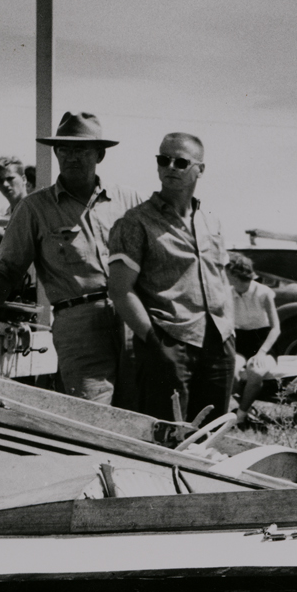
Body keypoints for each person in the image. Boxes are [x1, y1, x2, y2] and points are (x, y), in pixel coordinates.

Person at [0, 111, 141, 401]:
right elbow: (5, 270)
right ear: (56, 152)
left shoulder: (128, 200)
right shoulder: (34, 208)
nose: (71, 156)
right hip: (78, 325)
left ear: (100, 155)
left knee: (142, 413)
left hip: (134, 321)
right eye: (64, 149)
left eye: (81, 149)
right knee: (91, 415)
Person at [108, 131, 236, 426]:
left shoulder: (211, 221)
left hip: (219, 345)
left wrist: (231, 332)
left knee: (211, 438)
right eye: (164, 160)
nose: (170, 168)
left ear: (200, 170)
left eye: (181, 162)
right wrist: (156, 344)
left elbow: (221, 280)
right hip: (170, 342)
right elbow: (120, 290)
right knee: (168, 435)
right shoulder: (136, 222)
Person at [226, 252, 282, 361]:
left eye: (225, 272)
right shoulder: (227, 293)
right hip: (240, 341)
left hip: (263, 342)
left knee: (255, 370)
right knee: (233, 370)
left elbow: (276, 328)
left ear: (235, 275)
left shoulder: (263, 293)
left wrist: (262, 353)